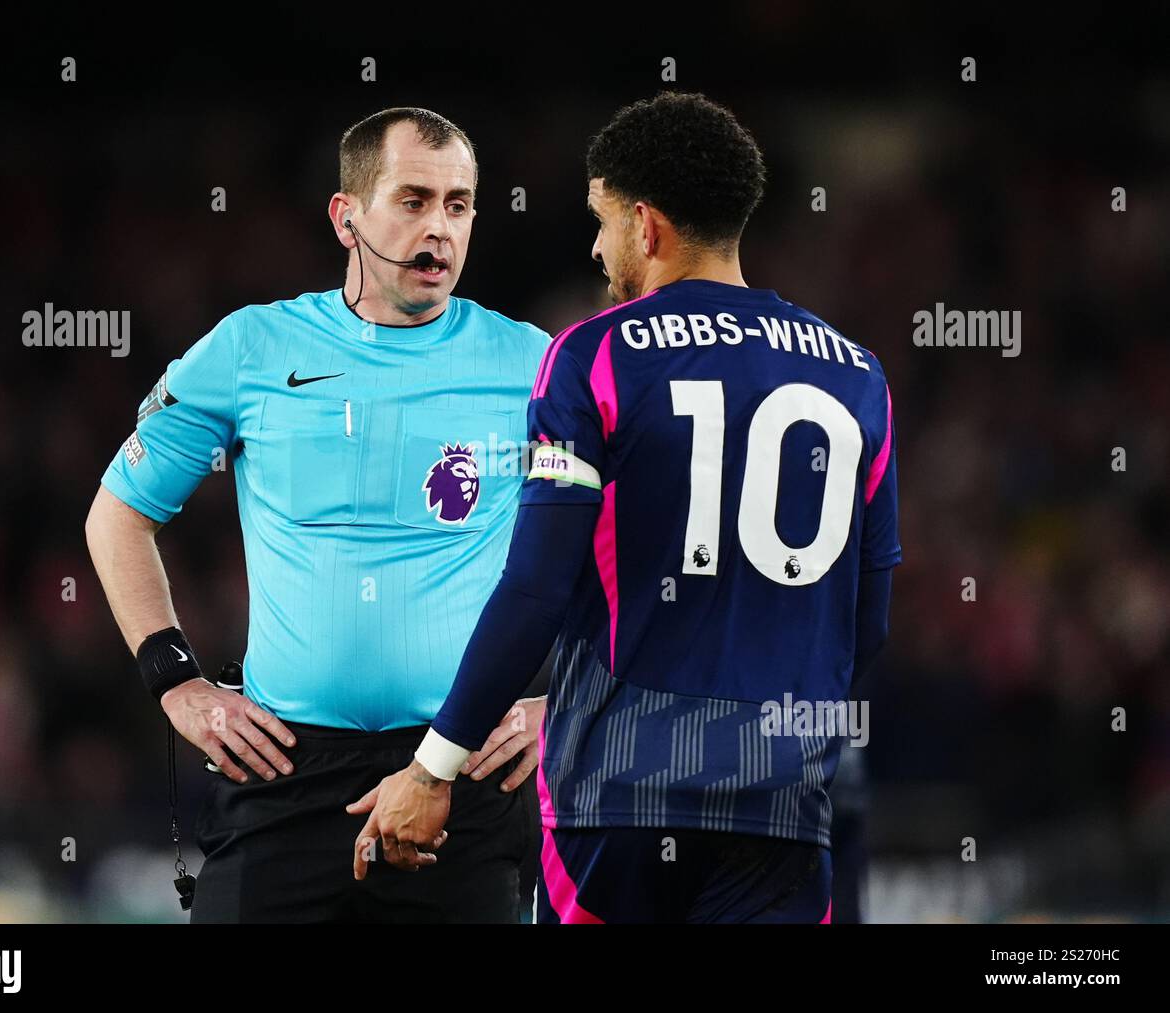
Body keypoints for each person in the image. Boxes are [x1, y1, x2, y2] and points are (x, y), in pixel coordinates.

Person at [348, 92, 900, 924]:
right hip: (782, 806)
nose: (599, 247)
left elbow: (534, 589)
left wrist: (434, 769)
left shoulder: (593, 357)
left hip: (617, 800)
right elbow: (869, 624)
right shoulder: (858, 374)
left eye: (602, 221)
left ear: (646, 225)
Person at [85, 107, 549, 923]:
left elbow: (632, 535)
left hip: (460, 775)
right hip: (283, 777)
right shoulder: (253, 349)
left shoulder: (534, 365)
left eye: (458, 204)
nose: (438, 228)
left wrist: (572, 697)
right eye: (412, 200)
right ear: (346, 216)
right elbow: (118, 514)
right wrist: (177, 682)